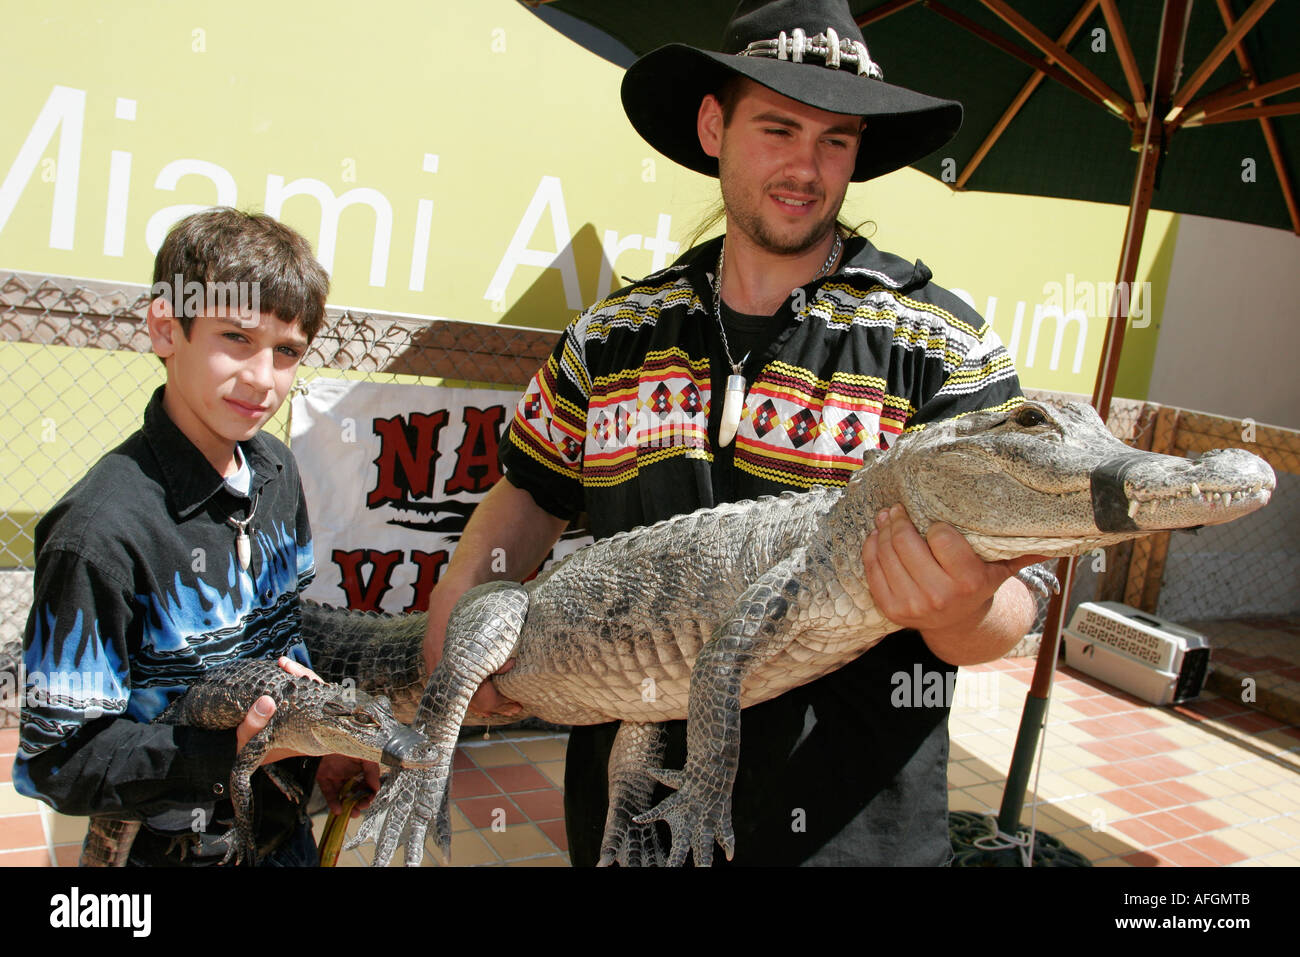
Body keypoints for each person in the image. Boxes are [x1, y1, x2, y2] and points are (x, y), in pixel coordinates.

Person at [424, 0, 1040, 865]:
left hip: (848, 830)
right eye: (778, 128)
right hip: (628, 817)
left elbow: (1013, 606)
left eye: (836, 139)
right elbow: (529, 493)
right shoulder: (614, 334)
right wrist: (458, 602)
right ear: (714, 125)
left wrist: (967, 606)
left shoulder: (940, 343)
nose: (806, 167)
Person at [14, 207, 370, 866]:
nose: (264, 379)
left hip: (281, 827)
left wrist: (317, 747)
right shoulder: (98, 533)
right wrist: (230, 749)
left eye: (287, 350)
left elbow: (284, 626)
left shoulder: (277, 470)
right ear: (165, 328)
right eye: (236, 337)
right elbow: (56, 762)